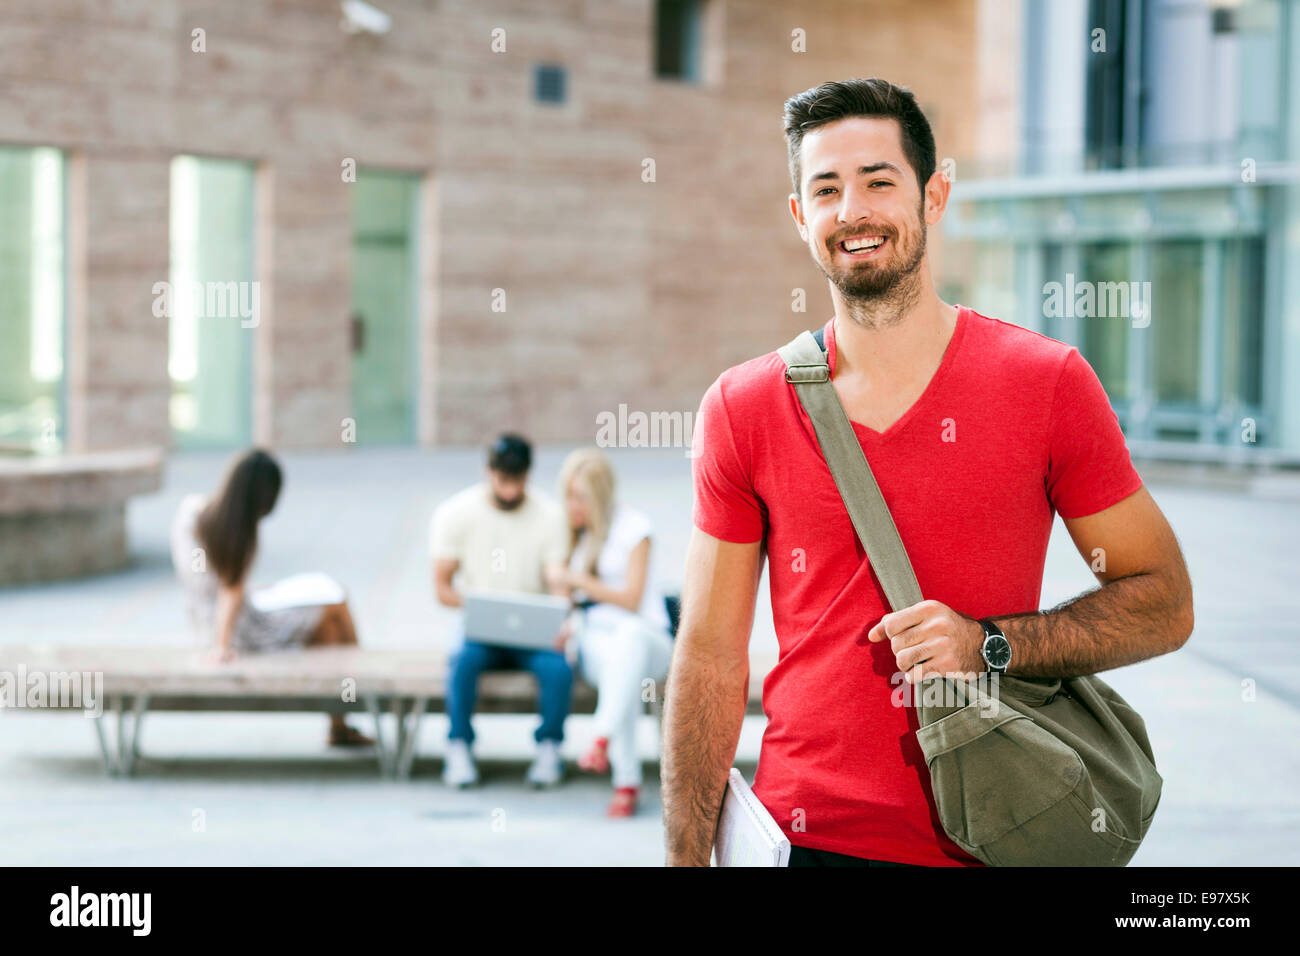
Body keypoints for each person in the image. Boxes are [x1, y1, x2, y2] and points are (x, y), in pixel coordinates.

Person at [662, 77, 1194, 867]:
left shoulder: (1045, 383)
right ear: (801, 216)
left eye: (879, 181)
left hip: (993, 839)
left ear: (934, 194)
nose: (854, 212)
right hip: (804, 842)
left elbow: (1163, 601)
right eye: (828, 189)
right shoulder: (743, 406)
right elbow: (708, 652)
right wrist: (682, 855)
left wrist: (990, 645)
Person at [170, 448, 373, 747]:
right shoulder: (240, 531)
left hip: (204, 622)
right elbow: (230, 589)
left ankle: (340, 724)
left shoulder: (191, 511)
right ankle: (360, 689)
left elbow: (211, 584)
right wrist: (221, 647)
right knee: (336, 603)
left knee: (327, 628)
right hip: (239, 632)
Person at [432, 434, 574, 789]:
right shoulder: (455, 513)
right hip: (480, 629)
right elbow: (442, 589)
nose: (509, 491)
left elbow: (558, 585)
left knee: (558, 670)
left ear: (528, 475)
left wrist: (562, 617)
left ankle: (549, 748)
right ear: (487, 471)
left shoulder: (550, 516)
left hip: (534, 633)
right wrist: (477, 607)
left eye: (517, 481)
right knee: (461, 663)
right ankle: (459, 745)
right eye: (502, 480)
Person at [554, 448, 675, 818]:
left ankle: (606, 745)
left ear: (600, 495)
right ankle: (621, 776)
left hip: (647, 636)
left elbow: (632, 599)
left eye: (581, 497)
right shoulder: (570, 535)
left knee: (629, 644)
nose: (573, 505)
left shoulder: (634, 529)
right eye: (569, 495)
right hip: (594, 641)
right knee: (619, 663)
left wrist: (579, 581)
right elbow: (562, 602)